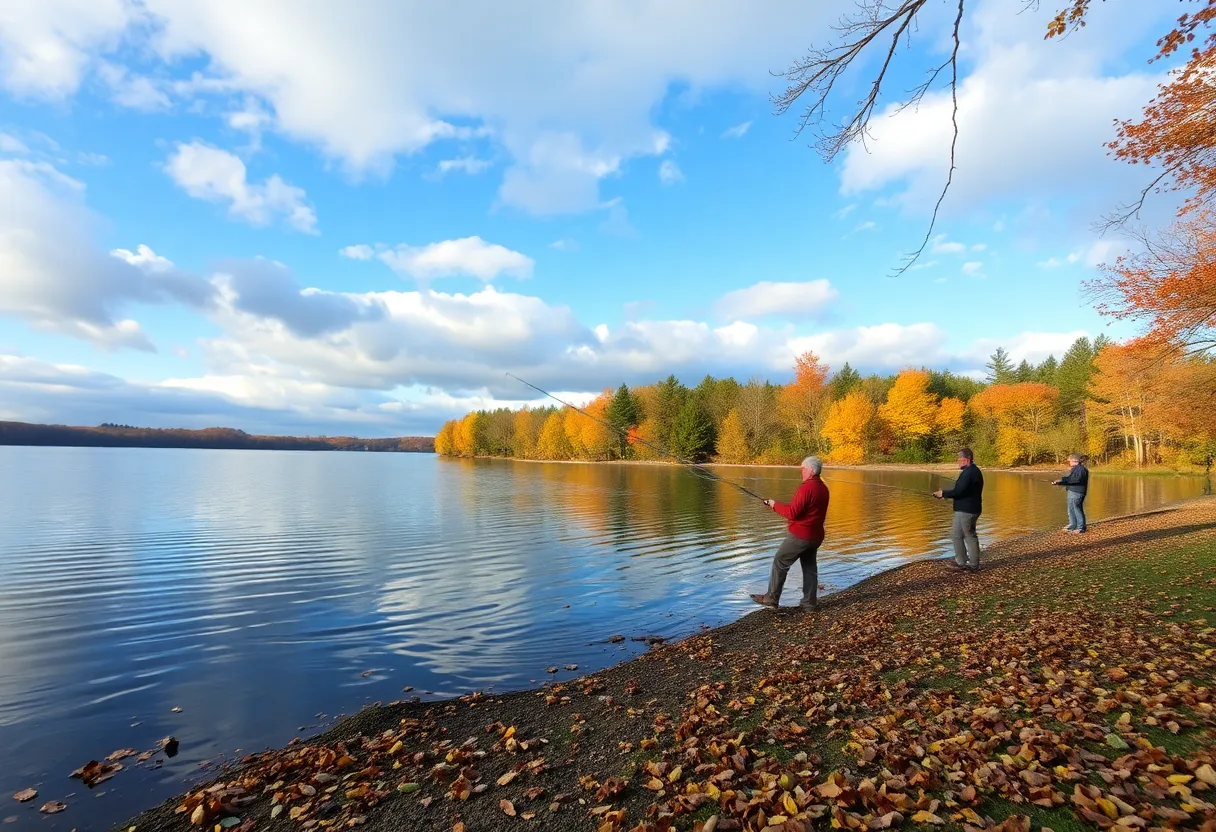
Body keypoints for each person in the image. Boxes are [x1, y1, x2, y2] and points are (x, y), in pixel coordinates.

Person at [751, 456, 830, 611]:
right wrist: (775, 506)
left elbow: (792, 513)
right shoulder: (823, 488)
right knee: (809, 568)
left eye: (803, 469)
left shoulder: (807, 487)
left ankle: (771, 598)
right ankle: (809, 604)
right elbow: (804, 511)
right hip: (816, 536)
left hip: (801, 536)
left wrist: (774, 505)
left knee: (780, 561)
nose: (801, 471)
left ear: (811, 471)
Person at [933, 448, 984, 572]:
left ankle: (974, 565)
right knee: (956, 535)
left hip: (967, 511)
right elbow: (961, 491)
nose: (958, 462)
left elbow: (959, 491)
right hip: (963, 509)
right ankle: (961, 561)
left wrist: (943, 493)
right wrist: (944, 494)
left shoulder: (970, 472)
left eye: (960, 460)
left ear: (966, 459)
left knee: (969, 536)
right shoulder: (969, 471)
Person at [1051, 453, 1089, 534]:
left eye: (1069, 461)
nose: (1069, 463)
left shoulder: (1081, 469)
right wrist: (1060, 481)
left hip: (1077, 492)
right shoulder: (1075, 469)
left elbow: (1076, 480)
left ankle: (1081, 528)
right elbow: (1070, 478)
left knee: (1077, 509)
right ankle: (1073, 525)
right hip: (1072, 491)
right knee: (1071, 509)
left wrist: (1061, 482)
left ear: (1075, 461)